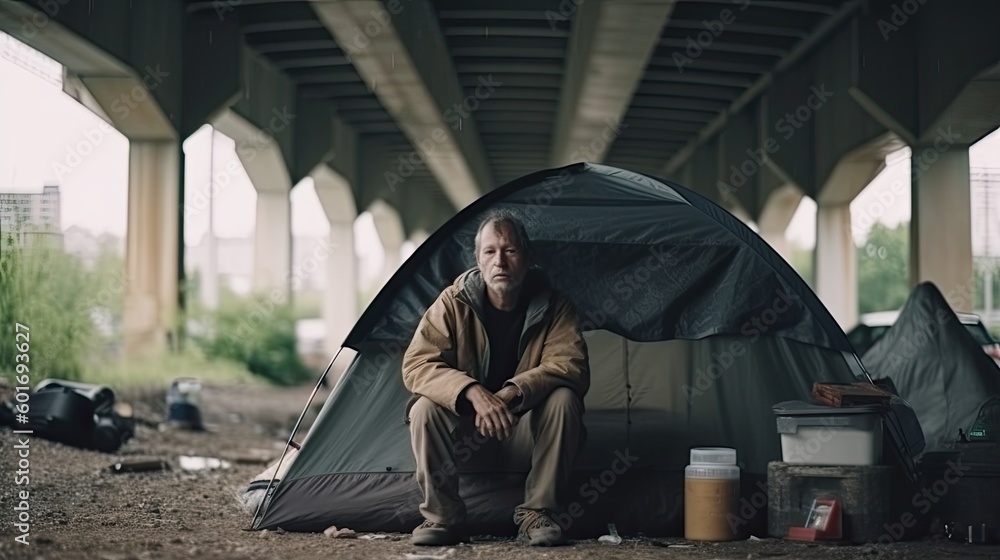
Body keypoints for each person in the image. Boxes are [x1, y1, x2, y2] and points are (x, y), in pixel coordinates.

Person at [402, 209, 590, 547]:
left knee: (565, 399)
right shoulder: (452, 302)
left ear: (527, 257)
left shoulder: (555, 306)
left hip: (525, 434)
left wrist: (509, 394)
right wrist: (472, 391)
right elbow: (417, 364)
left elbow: (570, 364)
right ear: (478, 258)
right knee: (423, 409)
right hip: (464, 436)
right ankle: (443, 519)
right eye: (490, 251)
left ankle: (536, 514)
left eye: (510, 250)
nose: (499, 261)